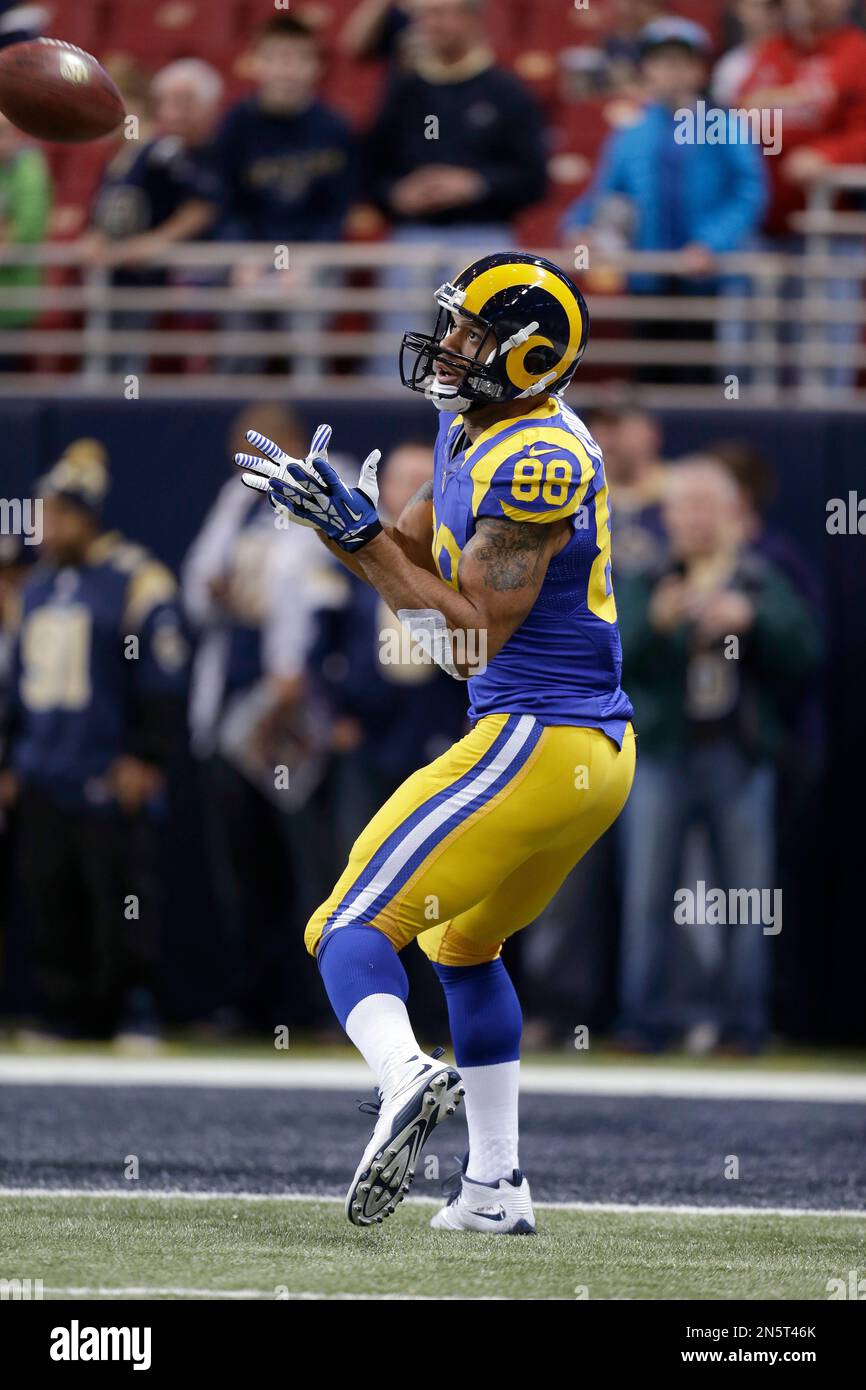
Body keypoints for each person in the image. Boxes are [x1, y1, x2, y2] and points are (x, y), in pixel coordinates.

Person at [234, 252, 636, 1233]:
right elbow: (412, 551)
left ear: (529, 354)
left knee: (345, 926)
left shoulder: (537, 456)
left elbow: (465, 642)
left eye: (473, 334)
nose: (450, 346)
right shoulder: (472, 423)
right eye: (451, 325)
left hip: (538, 734)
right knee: (464, 946)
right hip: (584, 754)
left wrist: (360, 542)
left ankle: (407, 1075)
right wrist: (342, 520)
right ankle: (494, 1188)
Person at [615, 458, 822, 1053]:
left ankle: (744, 1023)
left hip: (737, 751)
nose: (695, 518)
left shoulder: (758, 576)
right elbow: (609, 657)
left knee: (747, 894)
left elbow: (806, 650)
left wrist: (754, 620)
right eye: (685, 505)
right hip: (661, 752)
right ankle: (641, 1020)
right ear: (669, 514)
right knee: (648, 889)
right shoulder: (646, 575)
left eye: (708, 505)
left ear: (731, 514)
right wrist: (656, 624)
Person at [0, 441, 189, 1041]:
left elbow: (162, 677)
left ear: (86, 516)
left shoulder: (135, 578)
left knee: (121, 897)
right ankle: (67, 1012)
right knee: (51, 894)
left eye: (58, 516)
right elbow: (17, 683)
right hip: (44, 765)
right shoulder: (34, 586)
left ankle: (132, 1007)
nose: (46, 530)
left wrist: (145, 756)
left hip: (106, 769)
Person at [182, 403, 342, 1032]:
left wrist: (292, 673)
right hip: (234, 703)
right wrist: (215, 591)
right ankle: (251, 1000)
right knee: (241, 864)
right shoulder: (236, 498)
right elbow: (196, 581)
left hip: (296, 706)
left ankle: (323, 1004)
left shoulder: (332, 481)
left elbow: (322, 591)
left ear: (295, 442)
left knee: (311, 862)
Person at [563, 18, 767, 384]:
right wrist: (581, 229)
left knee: (703, 375)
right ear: (647, 70)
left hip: (708, 279)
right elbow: (606, 195)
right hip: (649, 276)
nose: (672, 72)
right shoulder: (633, 131)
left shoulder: (723, 124)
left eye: (682, 63)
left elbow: (748, 191)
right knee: (651, 375)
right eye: (662, 62)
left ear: (698, 70)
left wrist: (711, 244)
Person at [365, 0, 547, 371]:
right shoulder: (404, 90)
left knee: (486, 351)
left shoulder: (506, 91)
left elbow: (534, 178)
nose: (432, 24)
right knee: (397, 353)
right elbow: (368, 170)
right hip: (412, 236)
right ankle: (394, 416)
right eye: (426, 14)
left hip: (484, 234)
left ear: (472, 18)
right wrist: (396, 194)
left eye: (443, 12)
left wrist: (477, 185)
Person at [212, 13, 358, 373]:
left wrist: (307, 261)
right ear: (257, 63)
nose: (286, 70)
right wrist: (242, 258)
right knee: (239, 341)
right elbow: (224, 204)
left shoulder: (334, 127)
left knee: (307, 335)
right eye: (276, 58)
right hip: (250, 253)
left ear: (315, 66)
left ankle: (310, 416)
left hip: (313, 257)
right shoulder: (235, 125)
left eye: (297, 59)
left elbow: (337, 211)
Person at [734, 0, 866, 390]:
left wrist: (829, 155)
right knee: (749, 358)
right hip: (761, 230)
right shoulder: (770, 52)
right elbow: (736, 116)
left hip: (829, 235)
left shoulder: (856, 53)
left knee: (820, 365)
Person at [0, 112, 52, 366]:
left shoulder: (29, 167)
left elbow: (25, 232)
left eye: (2, 132)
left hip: (12, 304)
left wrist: (9, 233)